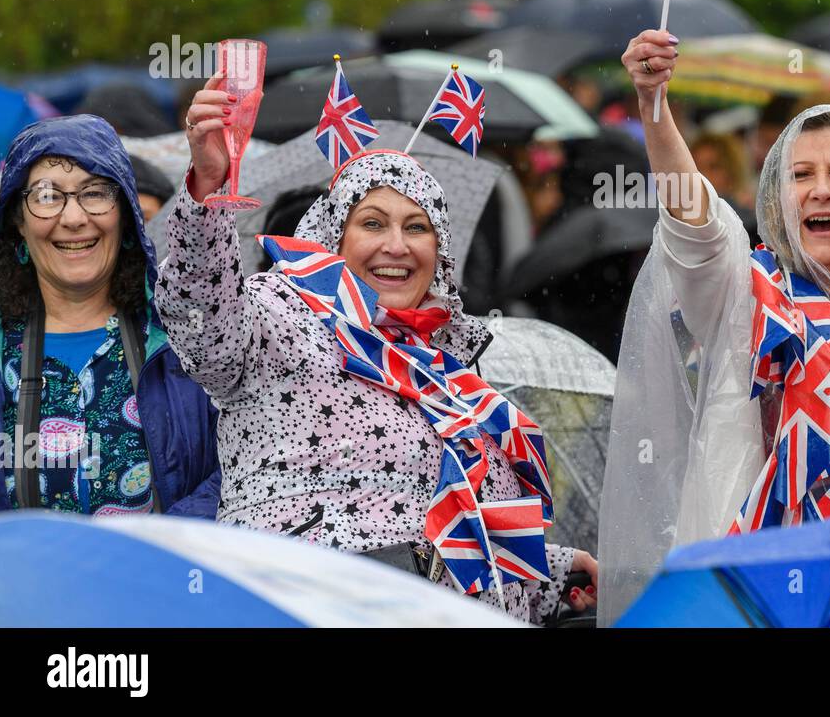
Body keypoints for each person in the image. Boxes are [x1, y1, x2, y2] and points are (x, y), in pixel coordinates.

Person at [157, 77, 595, 623]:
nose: (396, 245)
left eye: (417, 227)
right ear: (333, 237)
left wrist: (553, 576)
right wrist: (209, 187)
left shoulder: (444, 370)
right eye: (372, 223)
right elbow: (201, 319)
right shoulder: (280, 315)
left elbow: (437, 529)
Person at [598, 30, 830, 622]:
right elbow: (694, 222)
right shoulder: (745, 288)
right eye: (800, 175)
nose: (821, 189)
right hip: (762, 578)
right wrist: (653, 107)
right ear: (777, 198)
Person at [0, 115, 220, 515]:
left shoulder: (185, 337)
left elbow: (244, 463)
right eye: (47, 196)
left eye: (95, 193)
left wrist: (165, 550)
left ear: (127, 213)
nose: (74, 218)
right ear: (18, 222)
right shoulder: (1, 352)